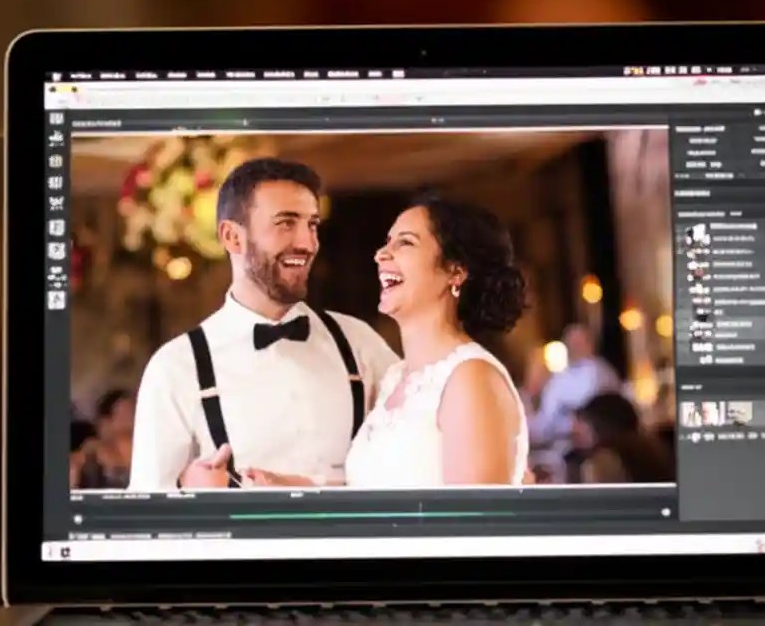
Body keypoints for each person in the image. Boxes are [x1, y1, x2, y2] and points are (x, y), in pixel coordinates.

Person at [128, 158, 400, 491]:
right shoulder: (176, 367)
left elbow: (411, 463)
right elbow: (149, 510)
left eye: (312, 224)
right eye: (286, 223)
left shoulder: (359, 343)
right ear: (232, 237)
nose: (307, 242)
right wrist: (190, 500)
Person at [245, 193, 530, 488]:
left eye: (405, 242)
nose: (381, 254)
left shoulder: (471, 378)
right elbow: (380, 495)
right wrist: (294, 488)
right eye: (387, 241)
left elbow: (472, 524)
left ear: (455, 271)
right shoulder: (395, 377)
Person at [527, 323, 621, 483]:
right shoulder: (558, 380)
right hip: (558, 449)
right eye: (570, 343)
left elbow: (604, 415)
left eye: (579, 342)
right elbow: (545, 421)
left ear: (590, 344)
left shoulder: (601, 373)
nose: (574, 347)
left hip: (595, 450)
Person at [568, 393, 675, 484]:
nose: (575, 431)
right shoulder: (653, 450)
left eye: (584, 422)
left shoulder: (603, 462)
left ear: (599, 425)